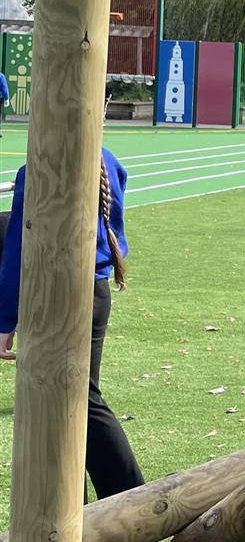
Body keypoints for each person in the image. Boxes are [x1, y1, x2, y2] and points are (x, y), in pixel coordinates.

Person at [0, 147, 146, 498]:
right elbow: (116, 230)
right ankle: (86, 499)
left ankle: (127, 494)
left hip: (55, 297)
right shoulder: (110, 160)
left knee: (68, 399)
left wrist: (6, 320)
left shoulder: (35, 173)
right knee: (76, 396)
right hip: (95, 291)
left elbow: (19, 249)